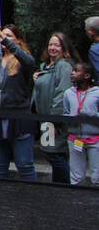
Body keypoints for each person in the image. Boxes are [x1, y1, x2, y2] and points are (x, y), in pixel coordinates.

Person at [0, 23, 37, 181]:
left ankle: (33, 200)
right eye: (2, 35)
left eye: (9, 35)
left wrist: (6, 41)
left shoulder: (22, 59)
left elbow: (30, 63)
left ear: (18, 40)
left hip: (18, 118)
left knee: (24, 165)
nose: (3, 38)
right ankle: (0, 201)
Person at [33, 32, 79, 184]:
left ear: (64, 47)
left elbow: (62, 92)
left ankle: (66, 185)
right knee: (51, 153)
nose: (52, 48)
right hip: (45, 118)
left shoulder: (64, 66)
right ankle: (60, 185)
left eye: (56, 45)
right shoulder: (46, 67)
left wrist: (54, 118)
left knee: (54, 153)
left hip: (53, 120)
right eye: (50, 44)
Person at [65, 61, 99, 186]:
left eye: (77, 71)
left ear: (87, 76)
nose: (72, 73)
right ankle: (76, 203)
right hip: (75, 139)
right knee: (76, 177)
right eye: (72, 70)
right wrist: (69, 118)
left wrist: (93, 115)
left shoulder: (97, 93)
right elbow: (65, 112)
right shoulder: (68, 93)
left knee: (97, 177)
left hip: (95, 140)